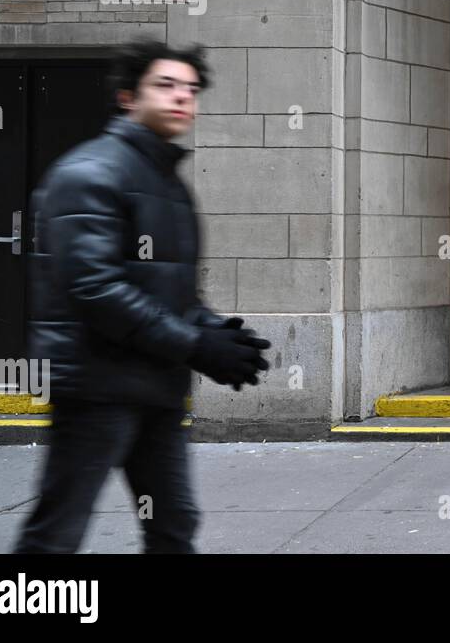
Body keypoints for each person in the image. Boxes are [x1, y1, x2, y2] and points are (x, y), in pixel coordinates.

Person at [15, 38, 271, 553]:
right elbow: (96, 288)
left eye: (191, 90)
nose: (183, 98)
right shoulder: (90, 173)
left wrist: (215, 332)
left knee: (174, 524)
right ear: (128, 98)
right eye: (167, 85)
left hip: (155, 383)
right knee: (59, 530)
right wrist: (194, 346)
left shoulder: (165, 181)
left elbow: (168, 288)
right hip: (95, 386)